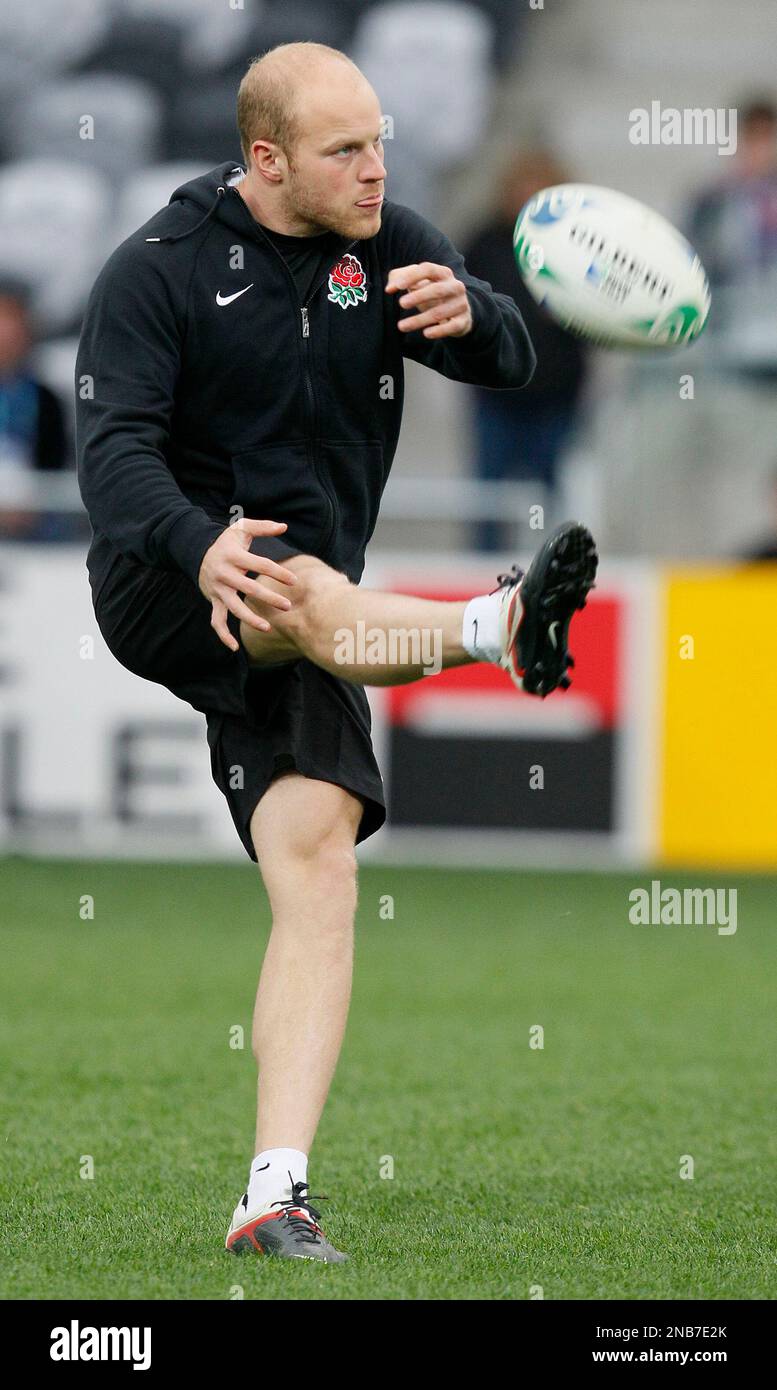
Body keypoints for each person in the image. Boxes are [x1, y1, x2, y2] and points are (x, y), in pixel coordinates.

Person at [75, 41, 597, 1264]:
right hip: (166, 583)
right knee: (293, 578)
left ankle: (272, 1196)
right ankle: (496, 626)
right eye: (345, 150)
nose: (376, 169)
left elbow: (515, 358)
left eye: (381, 142)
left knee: (317, 871)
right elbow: (113, 458)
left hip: (320, 612)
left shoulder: (392, 240)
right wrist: (198, 543)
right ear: (266, 161)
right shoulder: (156, 269)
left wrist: (486, 318)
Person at [462, 152, 589, 551]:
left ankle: (553, 565)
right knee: (489, 497)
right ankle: (482, 572)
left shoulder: (576, 244)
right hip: (496, 395)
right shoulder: (486, 242)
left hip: (555, 395)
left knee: (552, 493)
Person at [0, 277, 68, 540]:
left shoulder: (46, 399)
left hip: (35, 533)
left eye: (12, 319)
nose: (5, 332)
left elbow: (56, 470)